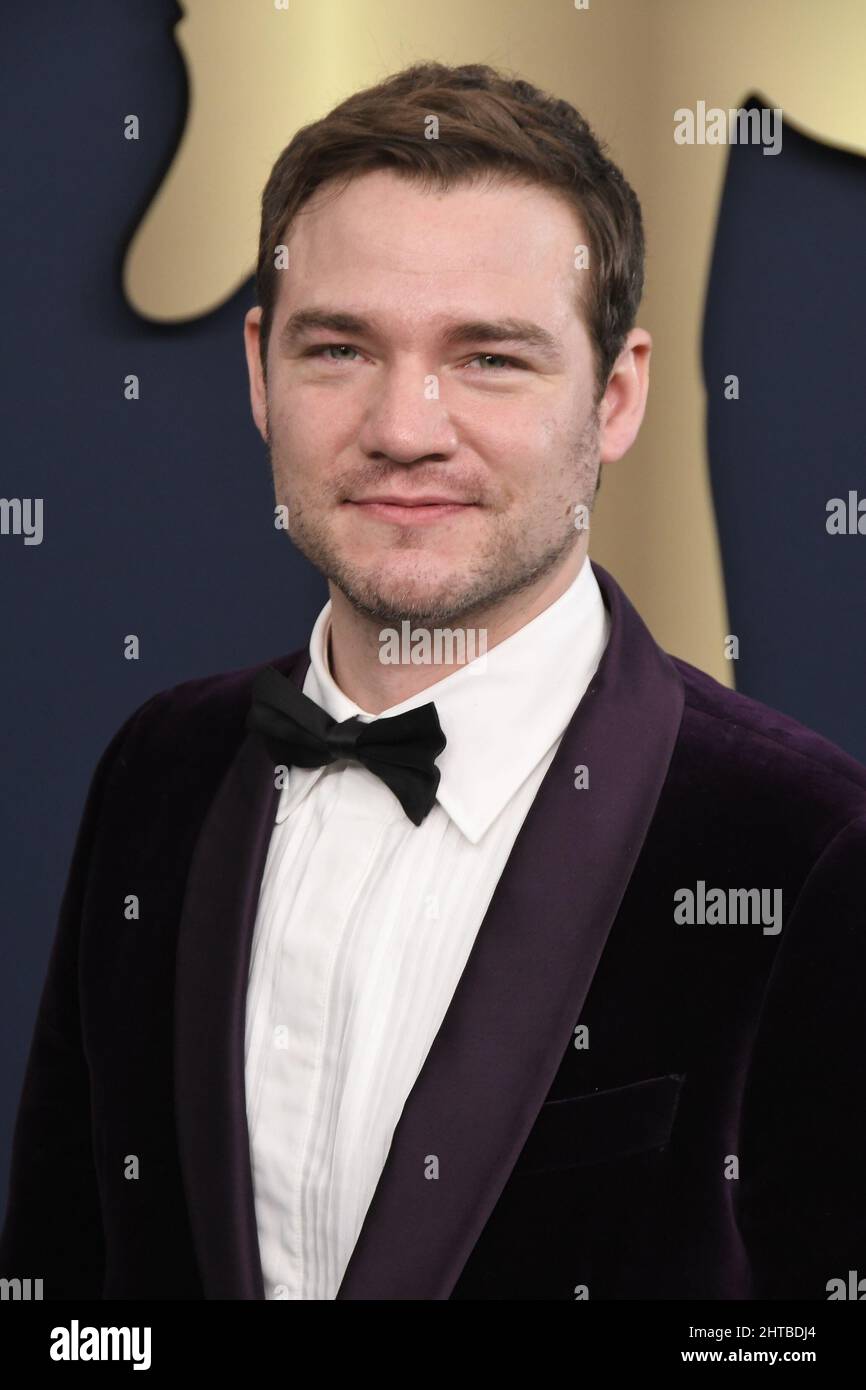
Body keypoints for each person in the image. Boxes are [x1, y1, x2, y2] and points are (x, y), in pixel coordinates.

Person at [2, 61, 865, 1302]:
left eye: (489, 359)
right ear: (258, 372)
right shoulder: (157, 769)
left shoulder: (808, 849)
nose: (405, 426)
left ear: (615, 396)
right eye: (341, 347)